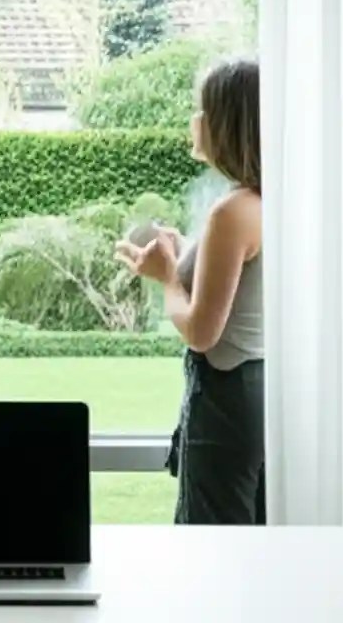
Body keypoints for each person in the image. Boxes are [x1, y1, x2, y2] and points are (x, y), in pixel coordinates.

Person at [115, 59, 264, 525]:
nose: (192, 121)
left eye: (200, 109)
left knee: (213, 539)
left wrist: (167, 278)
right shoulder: (268, 201)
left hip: (227, 397)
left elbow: (201, 331)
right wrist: (181, 257)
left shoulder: (232, 211)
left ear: (226, 122)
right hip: (261, 393)